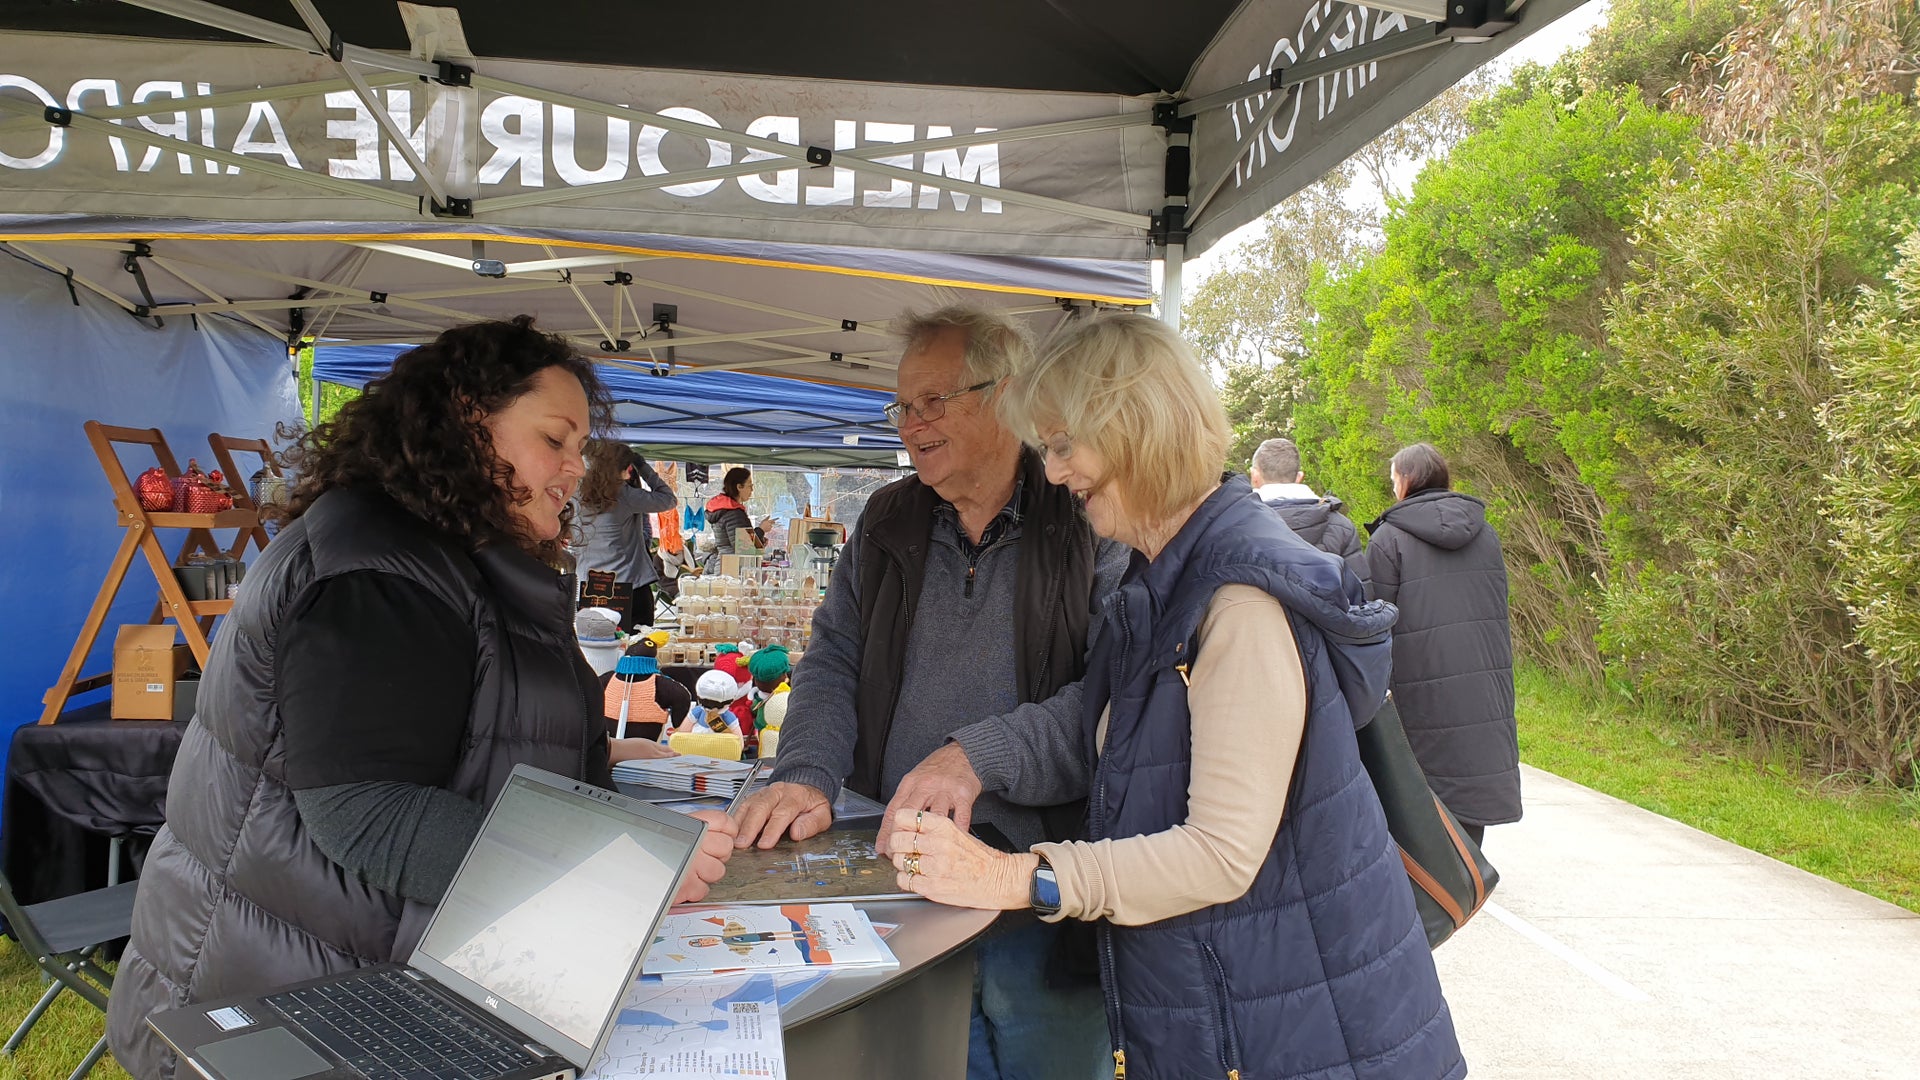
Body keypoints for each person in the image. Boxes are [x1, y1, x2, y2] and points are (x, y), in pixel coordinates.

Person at [106, 318, 736, 1080]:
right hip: (296, 1003)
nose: (576, 467)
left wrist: (596, 752)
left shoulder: (448, 551)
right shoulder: (382, 568)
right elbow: (368, 811)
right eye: (555, 440)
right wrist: (620, 863)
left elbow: (463, 724)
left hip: (353, 987)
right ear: (469, 425)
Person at [888, 313, 1465, 1080]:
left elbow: (1220, 855)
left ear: (1135, 430)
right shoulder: (1161, 584)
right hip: (1240, 1009)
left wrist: (1015, 876)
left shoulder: (1237, 602)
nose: (1053, 472)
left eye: (1063, 445)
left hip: (1304, 1035)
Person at [734, 305, 1129, 1080]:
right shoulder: (887, 519)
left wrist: (978, 756)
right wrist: (807, 771)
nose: (911, 424)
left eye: (934, 402)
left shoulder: (1088, 516)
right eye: (903, 406)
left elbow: (1117, 701)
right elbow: (835, 657)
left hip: (1038, 890)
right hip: (903, 887)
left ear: (1007, 395)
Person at [1366, 443, 1521, 845]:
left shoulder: (1388, 538)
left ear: (1405, 481)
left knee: (1421, 787)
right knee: (1472, 775)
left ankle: (1435, 894)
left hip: (1418, 682)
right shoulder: (1485, 532)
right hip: (1483, 678)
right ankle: (1470, 882)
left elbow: (1379, 620)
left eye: (1393, 477)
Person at [574, 440, 678, 631]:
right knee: (636, 648)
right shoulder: (623, 494)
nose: (629, 472)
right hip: (629, 587)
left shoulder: (574, 493)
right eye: (628, 467)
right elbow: (668, 500)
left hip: (589, 587)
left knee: (596, 648)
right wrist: (643, 467)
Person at [1249, 436, 1370, 592]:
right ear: (1299, 477)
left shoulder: (1239, 527)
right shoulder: (1341, 527)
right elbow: (1361, 594)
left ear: (1254, 475)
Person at [600, 630, 693, 739]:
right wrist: (678, 722)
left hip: (611, 743)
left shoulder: (608, 678)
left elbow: (589, 692)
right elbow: (682, 696)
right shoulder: (660, 683)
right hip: (647, 744)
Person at [704, 466, 774, 568]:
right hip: (733, 568)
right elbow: (746, 548)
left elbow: (736, 542)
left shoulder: (723, 509)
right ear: (739, 487)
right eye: (750, 486)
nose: (752, 490)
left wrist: (760, 538)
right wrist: (762, 529)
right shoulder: (734, 513)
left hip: (724, 564)